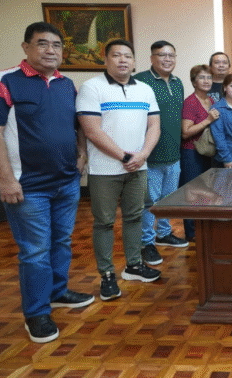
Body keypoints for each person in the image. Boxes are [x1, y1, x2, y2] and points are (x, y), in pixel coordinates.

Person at [0, 22, 93, 343]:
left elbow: (79, 125)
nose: (50, 50)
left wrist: (81, 155)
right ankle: (37, 312)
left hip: (66, 181)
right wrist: (5, 180)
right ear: (26, 47)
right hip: (27, 187)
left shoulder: (67, 84)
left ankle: (57, 291)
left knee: (61, 242)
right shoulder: (2, 83)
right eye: (42, 44)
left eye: (56, 45)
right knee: (35, 251)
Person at [76, 40, 162, 303]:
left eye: (128, 56)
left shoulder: (145, 89)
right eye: (116, 56)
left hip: (139, 166)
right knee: (104, 222)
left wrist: (143, 155)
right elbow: (91, 130)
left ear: (135, 62)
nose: (123, 60)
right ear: (106, 60)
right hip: (105, 169)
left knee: (135, 217)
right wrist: (124, 156)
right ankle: (107, 275)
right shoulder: (92, 88)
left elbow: (154, 127)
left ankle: (133, 266)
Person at [135, 41, 188, 268]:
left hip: (173, 153)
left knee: (167, 200)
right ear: (152, 57)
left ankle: (164, 233)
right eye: (162, 55)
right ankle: (146, 242)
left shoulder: (178, 83)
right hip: (150, 155)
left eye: (171, 55)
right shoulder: (140, 81)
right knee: (150, 202)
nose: (167, 59)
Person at [180, 65, 219, 241]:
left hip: (206, 152)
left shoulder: (211, 100)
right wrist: (207, 120)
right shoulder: (190, 102)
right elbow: (185, 132)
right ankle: (191, 233)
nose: (206, 81)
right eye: (202, 77)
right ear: (194, 81)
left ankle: (202, 230)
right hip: (191, 153)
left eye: (209, 78)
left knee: (205, 191)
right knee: (192, 192)